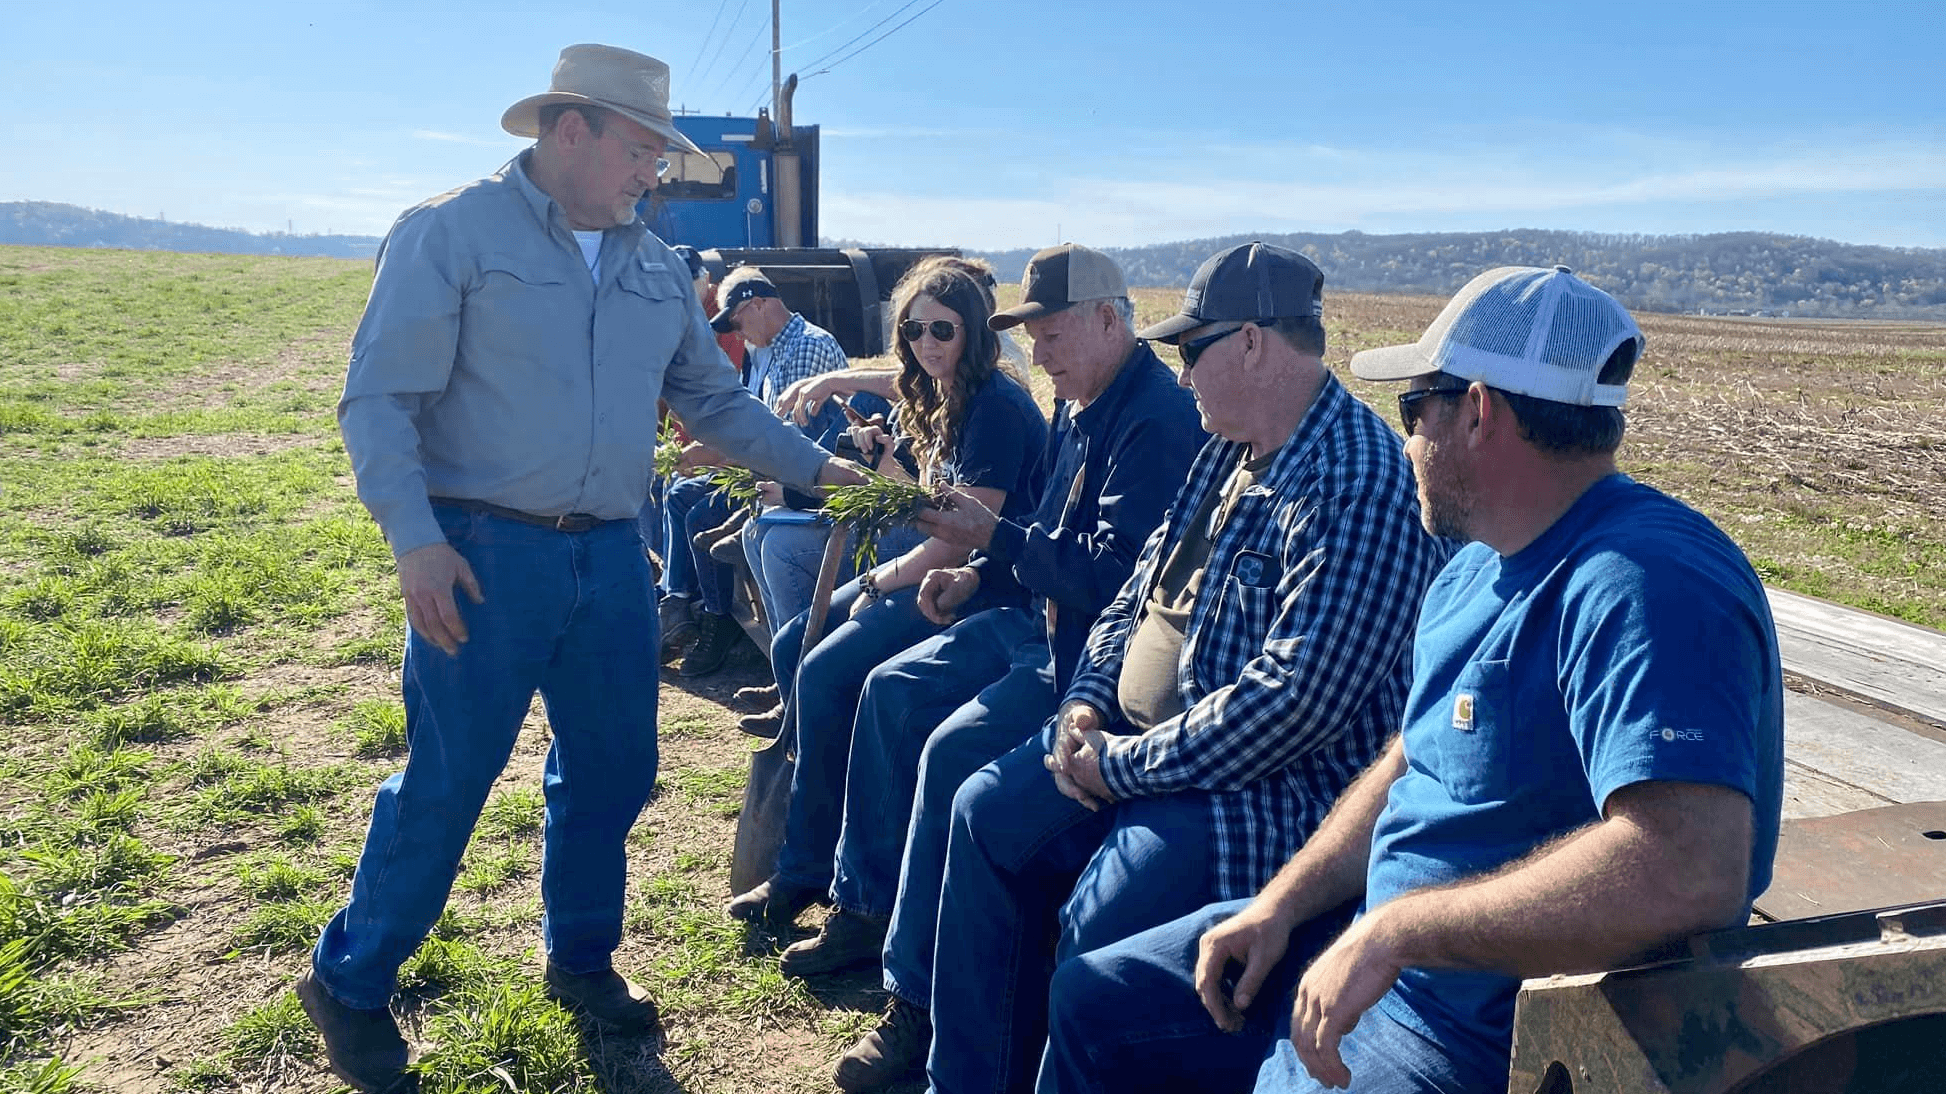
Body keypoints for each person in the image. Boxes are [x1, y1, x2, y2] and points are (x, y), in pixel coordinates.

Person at [1039, 265, 1786, 1094]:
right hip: (1377, 963)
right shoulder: (1474, 565)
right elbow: (1409, 760)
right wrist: (1284, 905)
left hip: (1477, 1039)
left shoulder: (1645, 583)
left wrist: (1398, 932)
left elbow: (1689, 870)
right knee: (1095, 1000)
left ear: (1477, 412)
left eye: (1413, 409)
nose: (1403, 442)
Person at [301, 43, 864, 1094]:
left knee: (612, 768)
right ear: (572, 130)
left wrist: (825, 467)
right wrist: (415, 539)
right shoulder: (450, 232)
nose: (654, 171)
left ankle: (581, 956)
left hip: (611, 552)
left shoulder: (656, 267)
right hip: (480, 551)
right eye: (643, 147)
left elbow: (716, 403)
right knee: (450, 776)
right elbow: (378, 400)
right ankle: (353, 976)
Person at [924, 242, 1452, 1094]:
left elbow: (1293, 703)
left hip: (1261, 794)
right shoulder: (1228, 448)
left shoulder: (1354, 480)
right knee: (983, 812)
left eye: (1189, 348)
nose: (1179, 370)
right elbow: (1136, 592)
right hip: (1145, 749)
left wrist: (1121, 767)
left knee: (1105, 914)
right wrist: (1089, 703)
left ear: (1250, 344)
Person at [799, 244, 1206, 1091]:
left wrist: (992, 546)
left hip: (1085, 659)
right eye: (1032, 335)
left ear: (1108, 319)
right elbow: (1052, 539)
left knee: (953, 757)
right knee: (891, 691)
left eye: (1052, 332)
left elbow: (1109, 578)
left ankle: (916, 1006)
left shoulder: (1155, 420)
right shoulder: (1082, 401)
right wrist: (979, 571)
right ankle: (864, 905)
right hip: (1032, 619)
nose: (1041, 352)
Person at [725, 257, 1050, 939]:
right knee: (793, 644)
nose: (927, 343)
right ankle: (820, 828)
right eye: (913, 330)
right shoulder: (941, 394)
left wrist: (874, 581)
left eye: (943, 329)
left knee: (826, 668)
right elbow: (929, 498)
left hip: (982, 590)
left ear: (976, 333)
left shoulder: (994, 406)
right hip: (944, 567)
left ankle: (824, 872)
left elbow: (957, 542)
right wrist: (886, 460)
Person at [659, 266, 851, 677]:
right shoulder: (767, 349)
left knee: (701, 514)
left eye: (738, 320)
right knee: (679, 496)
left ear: (759, 304)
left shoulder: (807, 346)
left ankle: (718, 621)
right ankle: (685, 601)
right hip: (775, 467)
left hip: (806, 470)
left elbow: (796, 441)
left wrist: (717, 454)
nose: (737, 332)